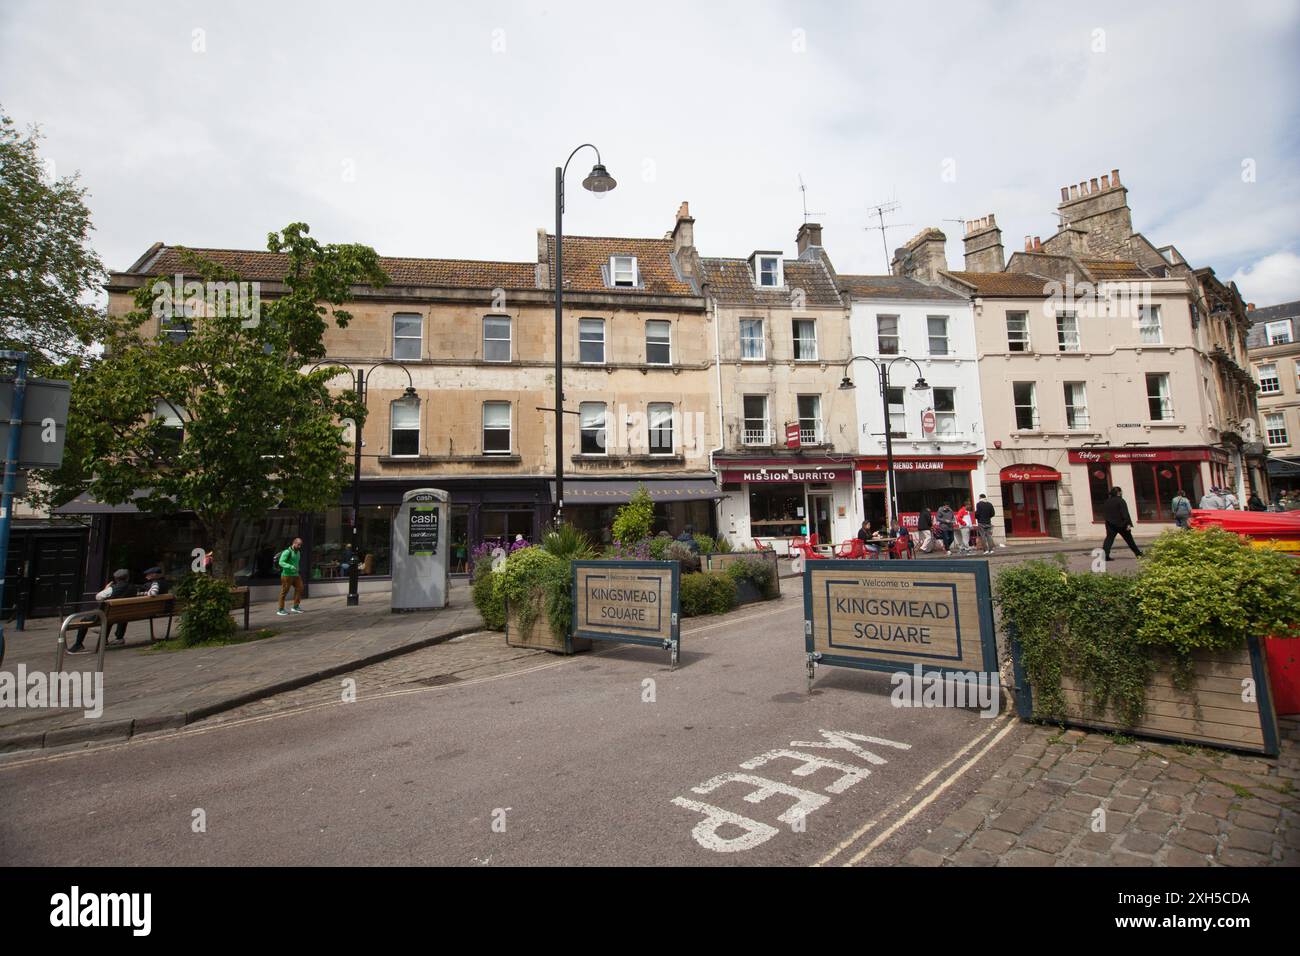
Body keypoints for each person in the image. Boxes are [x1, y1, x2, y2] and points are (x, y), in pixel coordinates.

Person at [68, 569, 134, 652]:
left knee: (83, 621)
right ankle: (106, 639)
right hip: (122, 614)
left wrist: (106, 588)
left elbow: (98, 597)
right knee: (110, 618)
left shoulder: (112, 588)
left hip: (106, 615)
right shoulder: (133, 588)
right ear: (127, 578)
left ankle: (78, 644)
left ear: (116, 579)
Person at [1102, 487, 1143, 561]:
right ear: (1118, 493)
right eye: (1121, 492)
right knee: (1129, 540)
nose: (1121, 493)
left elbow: (1104, 513)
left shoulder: (1107, 501)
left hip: (1110, 524)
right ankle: (1138, 554)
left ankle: (1105, 555)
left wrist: (1108, 520)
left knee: (1109, 540)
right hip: (1122, 524)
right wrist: (1128, 524)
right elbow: (1125, 513)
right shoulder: (1121, 501)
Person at [277, 537, 305, 616]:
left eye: (300, 545)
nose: (299, 546)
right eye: (298, 545)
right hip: (287, 575)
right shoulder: (287, 552)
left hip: (296, 575)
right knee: (284, 592)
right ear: (294, 543)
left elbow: (296, 562)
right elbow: (281, 562)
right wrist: (290, 566)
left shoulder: (298, 552)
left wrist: (297, 569)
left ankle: (295, 607)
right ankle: (280, 610)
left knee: (300, 588)